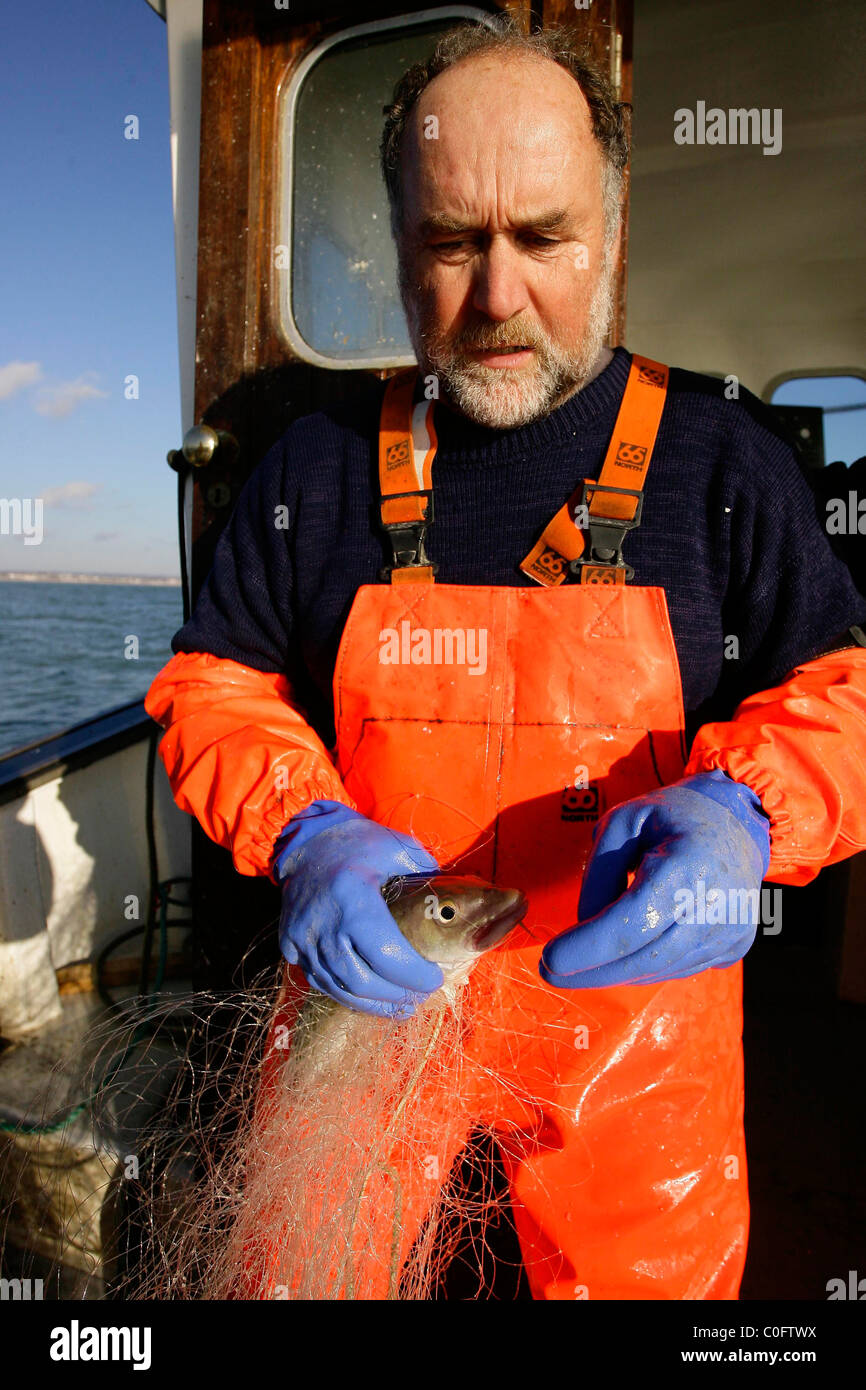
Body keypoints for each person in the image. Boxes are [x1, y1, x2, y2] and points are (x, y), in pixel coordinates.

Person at [145, 19, 866, 1300]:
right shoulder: (308, 469)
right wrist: (305, 824)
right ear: (393, 235)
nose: (494, 297)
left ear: (612, 227)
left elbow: (842, 692)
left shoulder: (725, 465)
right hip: (361, 1028)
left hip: (630, 1062)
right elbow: (212, 685)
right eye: (449, 242)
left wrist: (745, 808)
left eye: (542, 238)